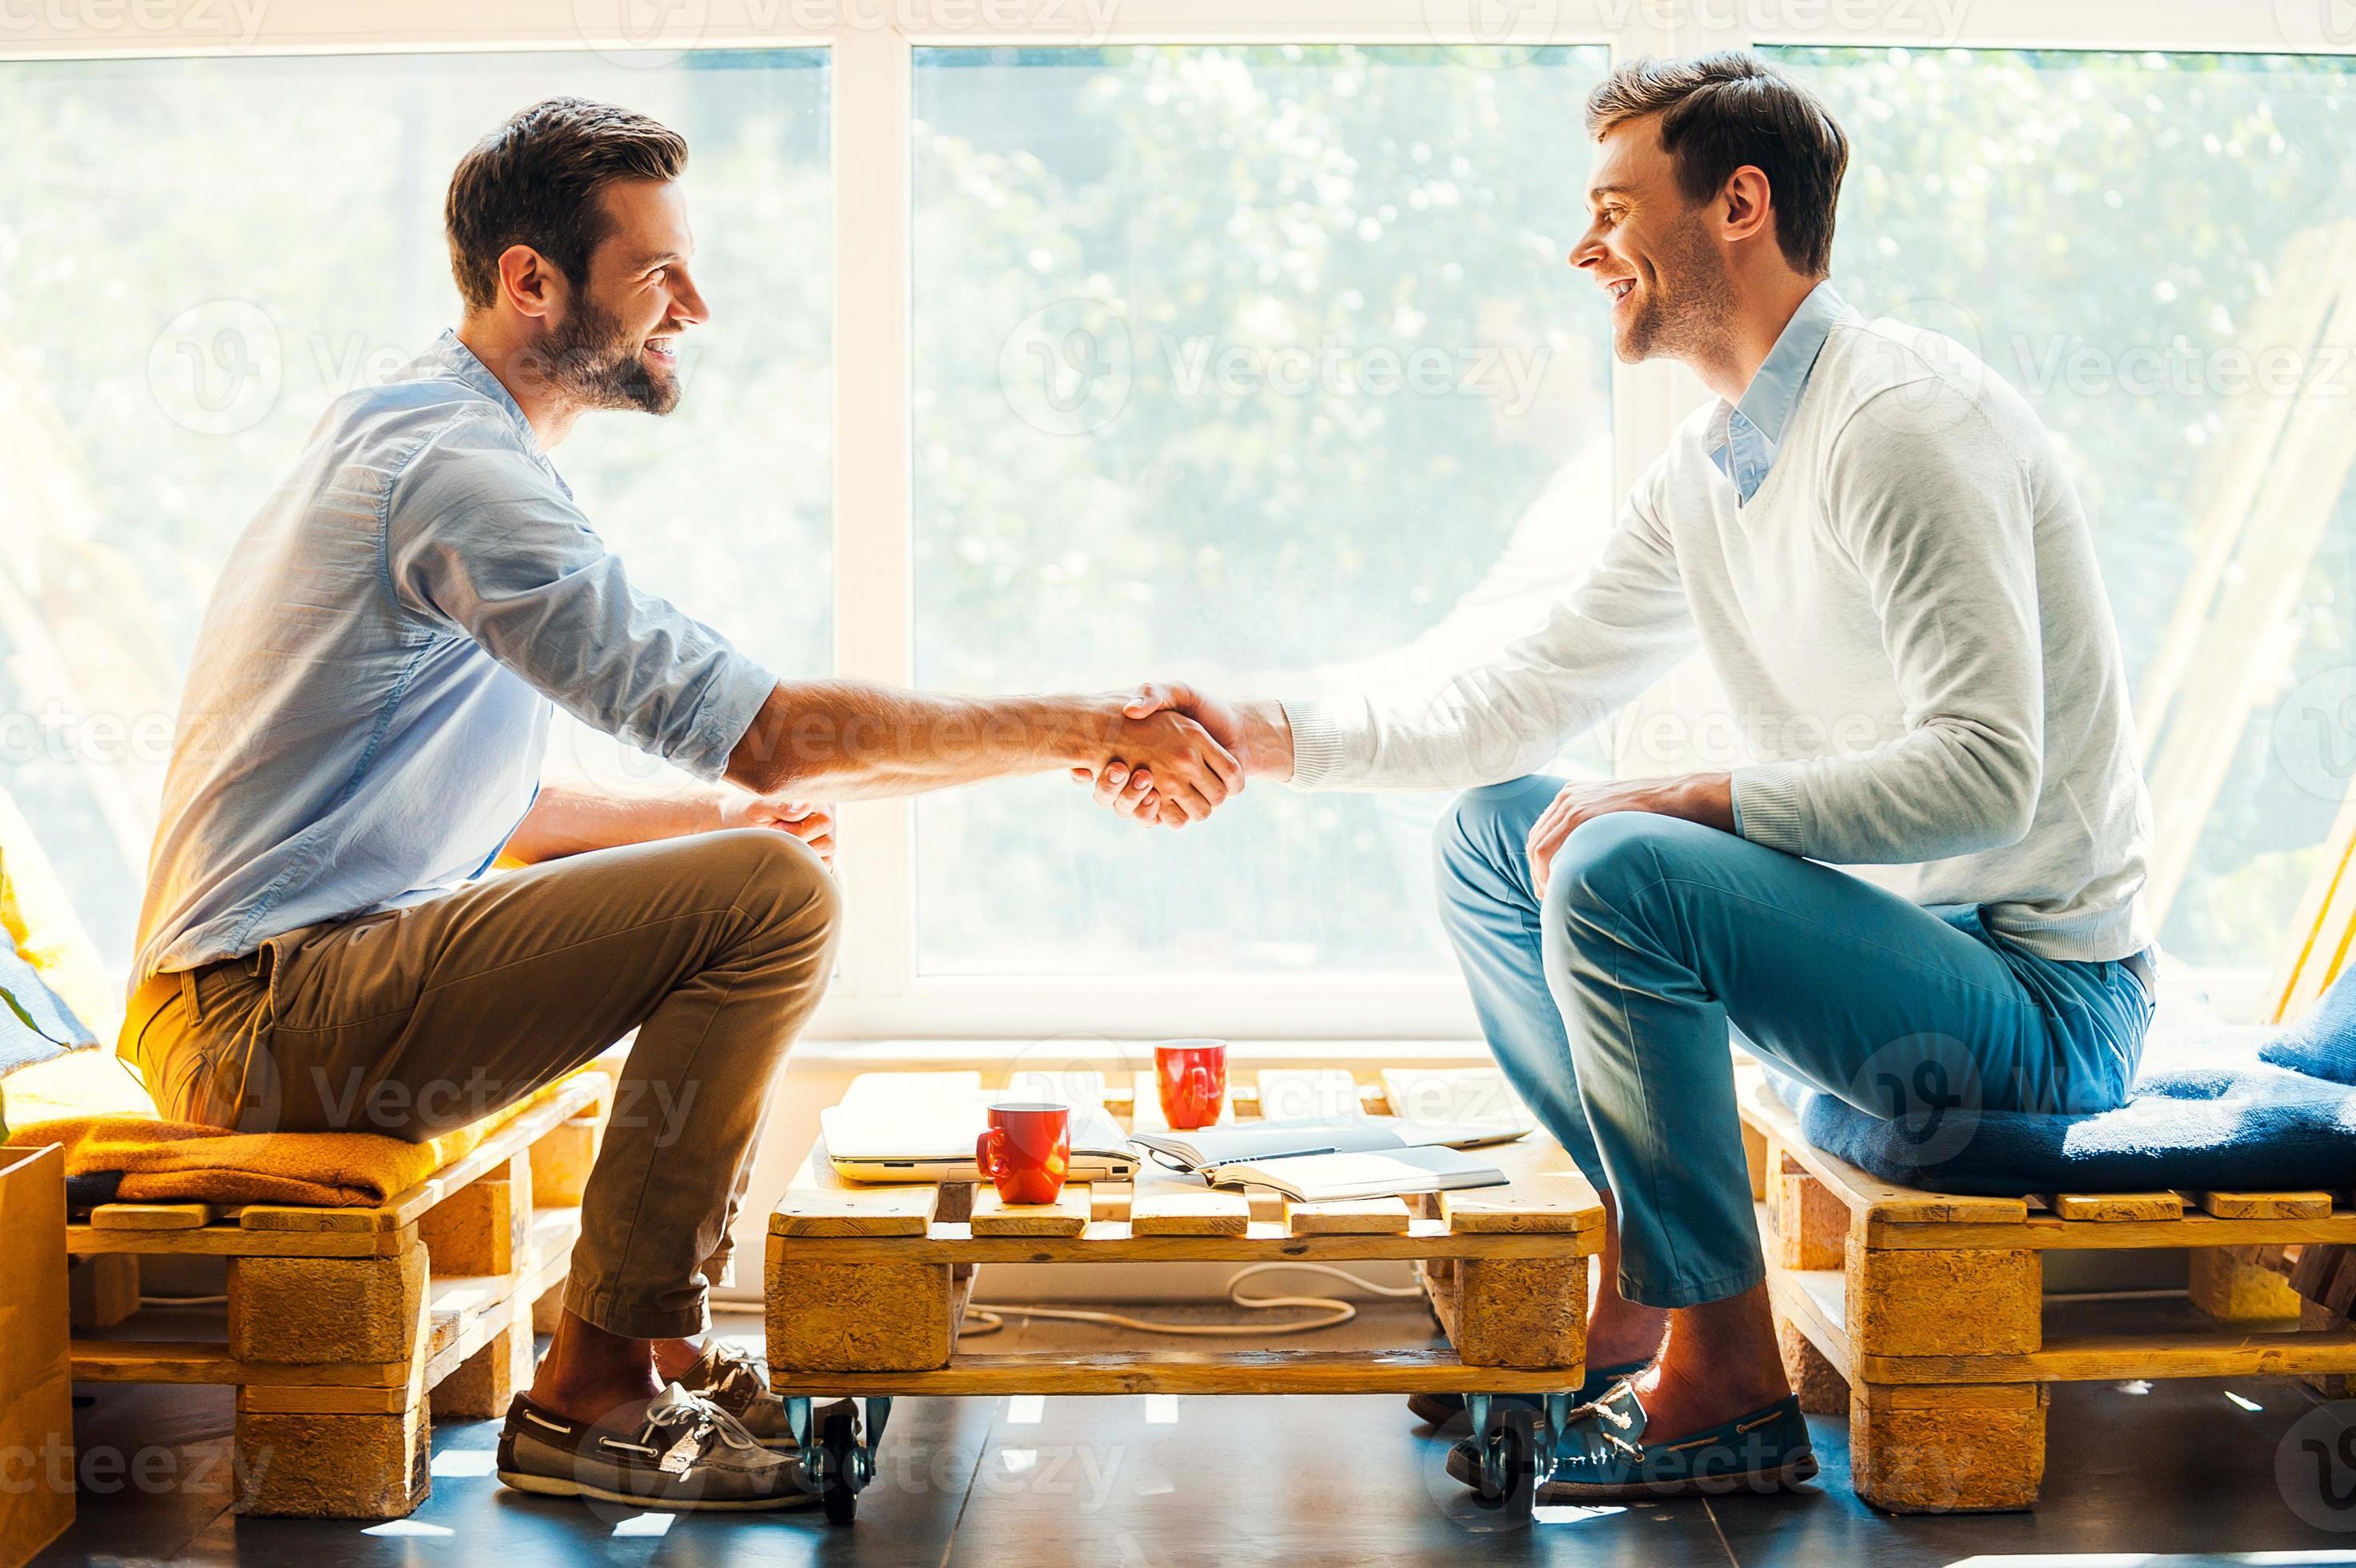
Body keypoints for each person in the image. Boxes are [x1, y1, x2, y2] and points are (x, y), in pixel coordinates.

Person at [123, 96, 1241, 1512]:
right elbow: (772, 733)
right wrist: (1083, 724)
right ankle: (593, 1388)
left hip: (274, 987)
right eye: (658, 273)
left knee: (749, 870)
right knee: (774, 899)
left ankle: (654, 1336)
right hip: (263, 1016)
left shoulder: (429, 429)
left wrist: (701, 827)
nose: (695, 306)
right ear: (530, 282)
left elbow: (503, 806)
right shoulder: (458, 472)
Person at [1089, 51, 2154, 1500]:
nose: (1579, 248)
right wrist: (1253, 729)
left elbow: (1987, 781)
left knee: (1617, 857)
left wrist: (1696, 797)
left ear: (1738, 204)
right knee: (1491, 826)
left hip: (2039, 1004)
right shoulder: (1713, 465)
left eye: (1609, 207)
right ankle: (1654, 1278)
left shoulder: (1902, 422)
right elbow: (1513, 697)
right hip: (1896, 957)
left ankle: (1727, 1391)